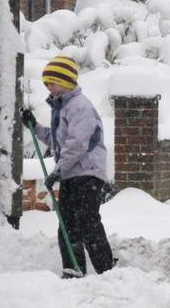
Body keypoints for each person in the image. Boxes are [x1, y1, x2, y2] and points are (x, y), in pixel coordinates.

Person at [22, 55, 115, 278]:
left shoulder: (79, 107)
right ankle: (73, 270)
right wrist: (35, 127)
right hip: (71, 174)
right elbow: (58, 142)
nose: (48, 88)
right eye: (46, 84)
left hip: (88, 173)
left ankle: (106, 270)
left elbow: (77, 144)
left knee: (87, 221)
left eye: (52, 83)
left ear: (65, 82)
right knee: (67, 225)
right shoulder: (61, 108)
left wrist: (58, 170)